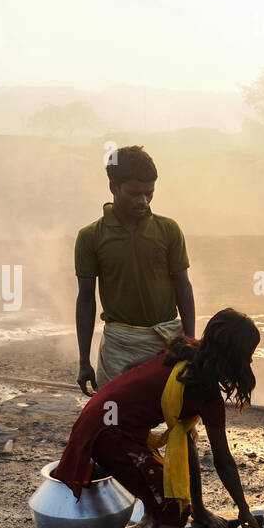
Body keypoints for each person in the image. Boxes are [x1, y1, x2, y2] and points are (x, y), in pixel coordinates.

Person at [55, 310, 261, 528]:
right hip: (110, 432)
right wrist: (244, 509)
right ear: (235, 355)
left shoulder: (183, 353)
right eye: (247, 355)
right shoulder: (203, 392)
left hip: (103, 417)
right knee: (173, 506)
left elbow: (129, 370)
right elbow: (223, 460)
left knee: (170, 500)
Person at [74, 145, 196, 395]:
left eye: (149, 193)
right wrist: (84, 361)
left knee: (175, 414)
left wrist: (190, 343)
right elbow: (86, 299)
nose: (143, 201)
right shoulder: (90, 237)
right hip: (119, 346)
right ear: (113, 187)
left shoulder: (168, 230)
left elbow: (183, 285)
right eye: (134, 193)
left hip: (167, 342)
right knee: (115, 422)